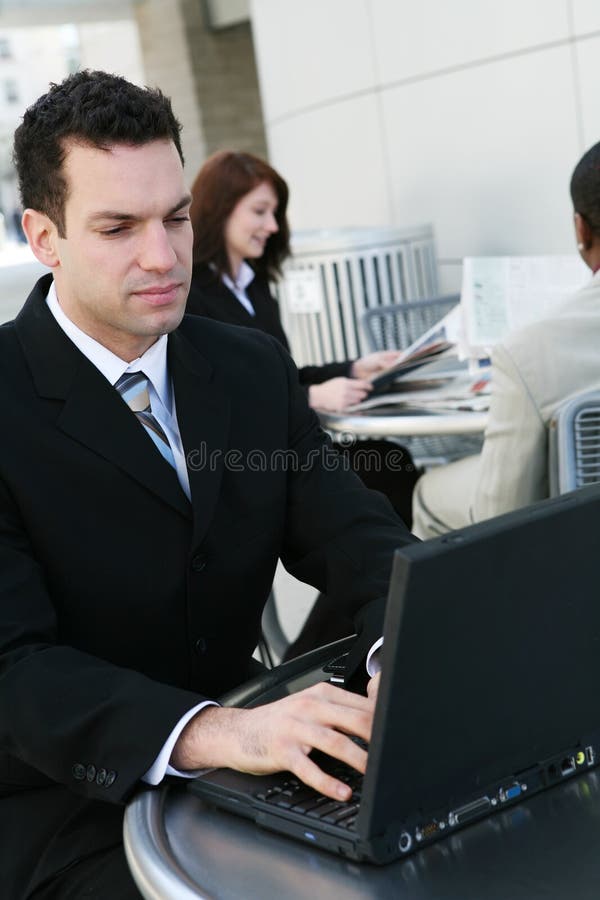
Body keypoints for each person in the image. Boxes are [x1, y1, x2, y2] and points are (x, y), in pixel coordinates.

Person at [0, 71, 414, 899]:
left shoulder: (248, 368)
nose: (163, 257)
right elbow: (15, 671)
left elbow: (357, 538)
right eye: (118, 227)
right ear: (44, 237)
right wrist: (220, 732)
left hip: (247, 768)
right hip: (62, 806)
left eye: (177, 218)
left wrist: (402, 657)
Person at [186, 151, 421, 657]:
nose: (272, 225)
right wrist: (312, 396)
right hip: (237, 466)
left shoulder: (255, 288)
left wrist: (352, 368)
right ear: (220, 208)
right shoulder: (192, 296)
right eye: (259, 210)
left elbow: (278, 373)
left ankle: (329, 643)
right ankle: (319, 653)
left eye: (275, 213)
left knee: (391, 463)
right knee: (380, 473)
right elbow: (224, 392)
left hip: (283, 454)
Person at [411, 140, 600, 538]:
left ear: (580, 229)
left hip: (576, 553)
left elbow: (503, 515)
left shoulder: (529, 353)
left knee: (430, 491)